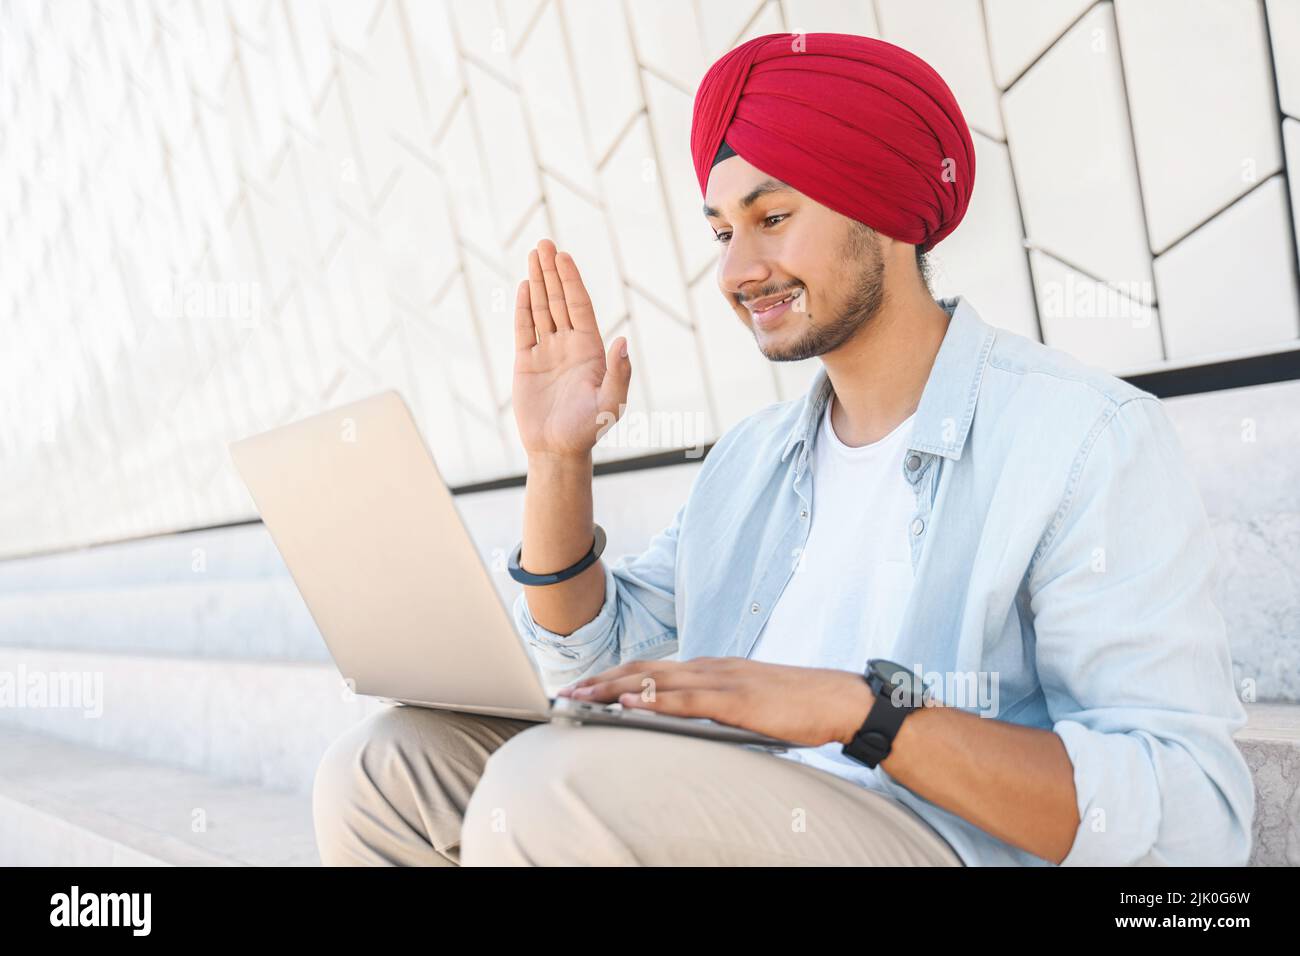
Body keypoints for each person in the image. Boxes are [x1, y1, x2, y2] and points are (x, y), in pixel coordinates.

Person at [312, 32, 1254, 867]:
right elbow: (593, 654)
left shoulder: (1084, 439)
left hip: (924, 831)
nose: (735, 270)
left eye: (771, 219)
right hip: (735, 794)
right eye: (722, 232)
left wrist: (863, 712)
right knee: (389, 768)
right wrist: (559, 462)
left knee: (546, 792)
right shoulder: (754, 459)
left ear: (880, 211)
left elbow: (1195, 817)